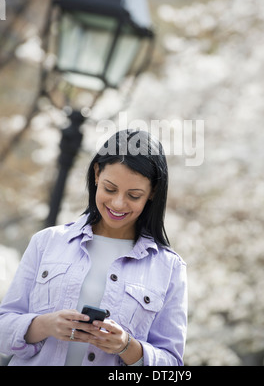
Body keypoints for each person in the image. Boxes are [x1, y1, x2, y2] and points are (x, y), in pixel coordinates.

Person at [0, 129, 187, 366]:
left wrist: (126, 346)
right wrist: (45, 325)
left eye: (134, 195)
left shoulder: (169, 268)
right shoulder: (46, 242)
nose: (118, 203)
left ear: (153, 192)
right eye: (110, 189)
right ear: (97, 174)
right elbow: (3, 329)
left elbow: (171, 363)